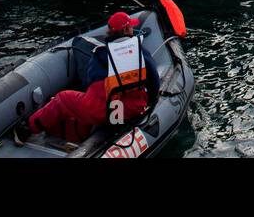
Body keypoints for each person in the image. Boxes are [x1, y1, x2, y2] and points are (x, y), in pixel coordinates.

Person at [15, 11, 160, 147]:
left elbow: (91, 82)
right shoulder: (141, 52)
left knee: (63, 98)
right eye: (130, 27)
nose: (132, 29)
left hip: (106, 111)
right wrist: (151, 101)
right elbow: (154, 80)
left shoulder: (101, 53)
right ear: (125, 31)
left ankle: (26, 130)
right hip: (133, 109)